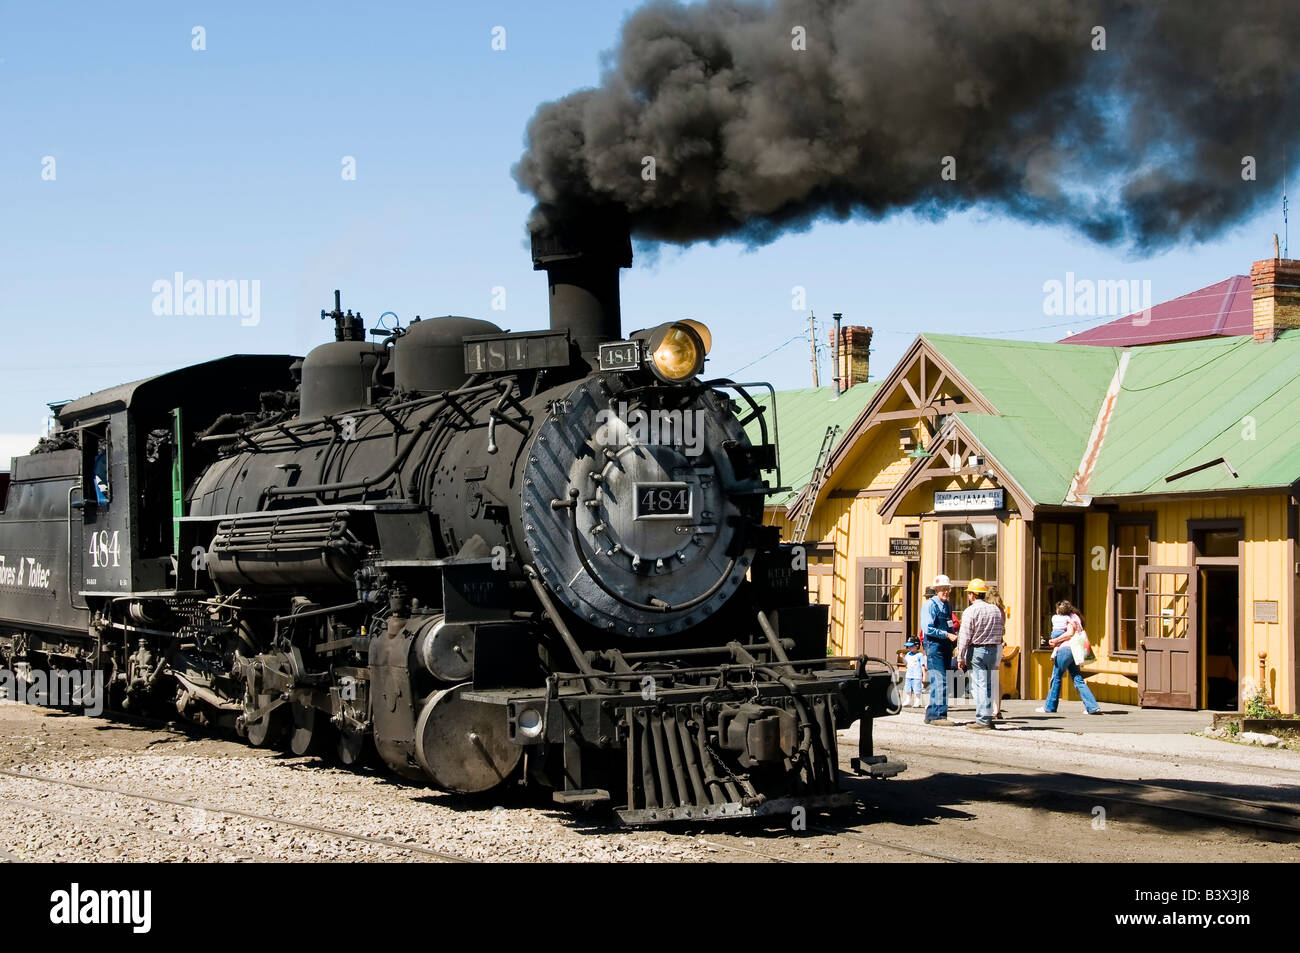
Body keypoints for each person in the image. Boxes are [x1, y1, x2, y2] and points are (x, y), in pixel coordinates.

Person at [1035, 600, 1101, 715]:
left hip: (1065, 649)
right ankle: (1092, 706)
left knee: (1056, 676)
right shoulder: (1075, 617)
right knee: (1077, 677)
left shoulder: (1068, 619)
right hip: (1074, 650)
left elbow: (1069, 633)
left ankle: (1050, 706)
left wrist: (1056, 640)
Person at [955, 577, 1004, 729]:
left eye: (969, 593)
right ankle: (988, 716)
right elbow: (1000, 631)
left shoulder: (970, 611)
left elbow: (964, 637)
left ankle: (983, 719)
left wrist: (960, 656)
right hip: (993, 649)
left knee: (979, 685)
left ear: (972, 595)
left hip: (977, 650)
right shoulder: (995, 610)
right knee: (988, 684)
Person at [920, 575, 958, 725]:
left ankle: (931, 713)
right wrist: (946, 634)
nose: (946, 592)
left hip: (946, 645)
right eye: (942, 589)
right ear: (936, 590)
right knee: (940, 680)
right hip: (934, 645)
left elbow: (949, 624)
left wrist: (953, 635)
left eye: (947, 589)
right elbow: (928, 629)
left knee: (942, 679)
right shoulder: (930, 605)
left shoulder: (947, 605)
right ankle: (939, 716)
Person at [986, 585, 1009, 720]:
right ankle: (997, 709)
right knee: (995, 677)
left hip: (989, 644)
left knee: (987, 677)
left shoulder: (990, 610)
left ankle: (989, 709)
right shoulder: (1001, 611)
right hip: (999, 644)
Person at [902, 638, 926, 707]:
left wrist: (923, 675)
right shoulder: (908, 654)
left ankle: (917, 701)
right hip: (909, 675)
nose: (909, 648)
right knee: (908, 689)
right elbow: (905, 663)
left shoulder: (920, 655)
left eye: (911, 646)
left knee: (917, 689)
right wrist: (903, 658)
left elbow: (922, 666)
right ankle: (908, 700)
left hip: (917, 676)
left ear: (917, 646)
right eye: (908, 647)